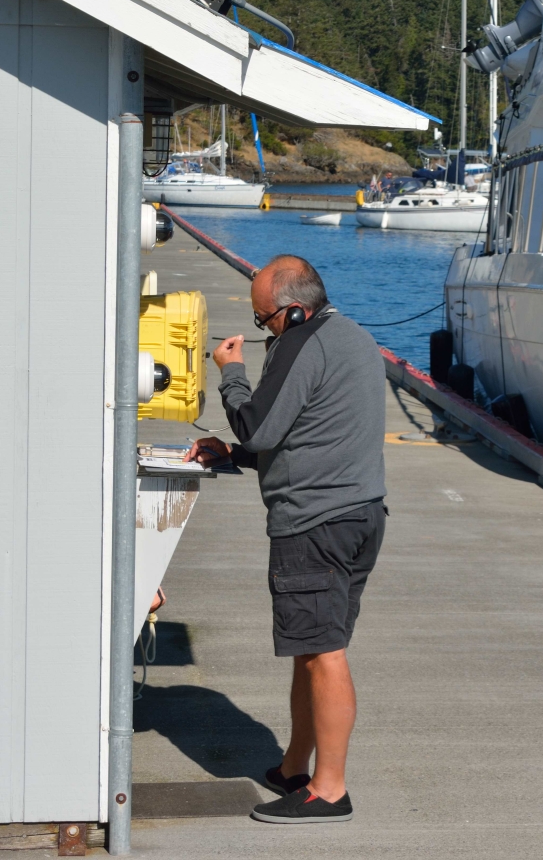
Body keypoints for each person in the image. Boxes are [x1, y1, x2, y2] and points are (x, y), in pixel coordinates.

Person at [186, 255, 387, 825]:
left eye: (264, 320)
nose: (261, 330)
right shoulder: (351, 335)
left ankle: (330, 790)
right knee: (312, 649)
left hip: (314, 523)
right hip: (359, 514)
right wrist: (239, 457)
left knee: (324, 654)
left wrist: (230, 373)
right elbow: (308, 431)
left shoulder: (301, 342)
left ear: (295, 310)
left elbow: (257, 423)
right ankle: (296, 766)